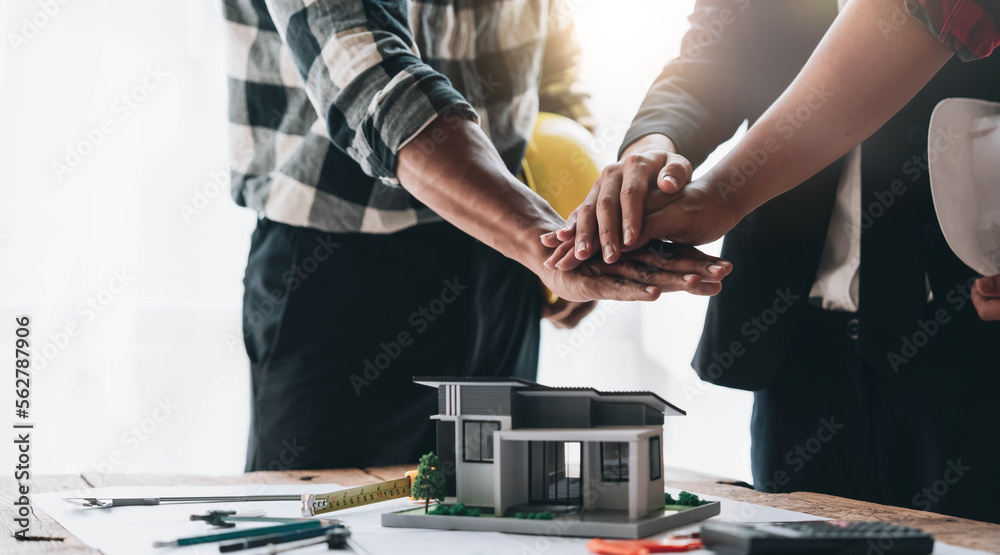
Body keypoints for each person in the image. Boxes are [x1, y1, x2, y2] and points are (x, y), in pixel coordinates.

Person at [223, 0, 731, 471]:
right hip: (334, 264)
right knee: (314, 520)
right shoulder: (532, 234)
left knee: (494, 510)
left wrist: (580, 225)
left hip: (504, 255)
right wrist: (546, 238)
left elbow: (552, 63)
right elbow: (375, 86)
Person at [546, 0, 1000, 522]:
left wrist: (719, 196)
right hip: (792, 341)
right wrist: (652, 145)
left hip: (966, 329)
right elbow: (712, 58)